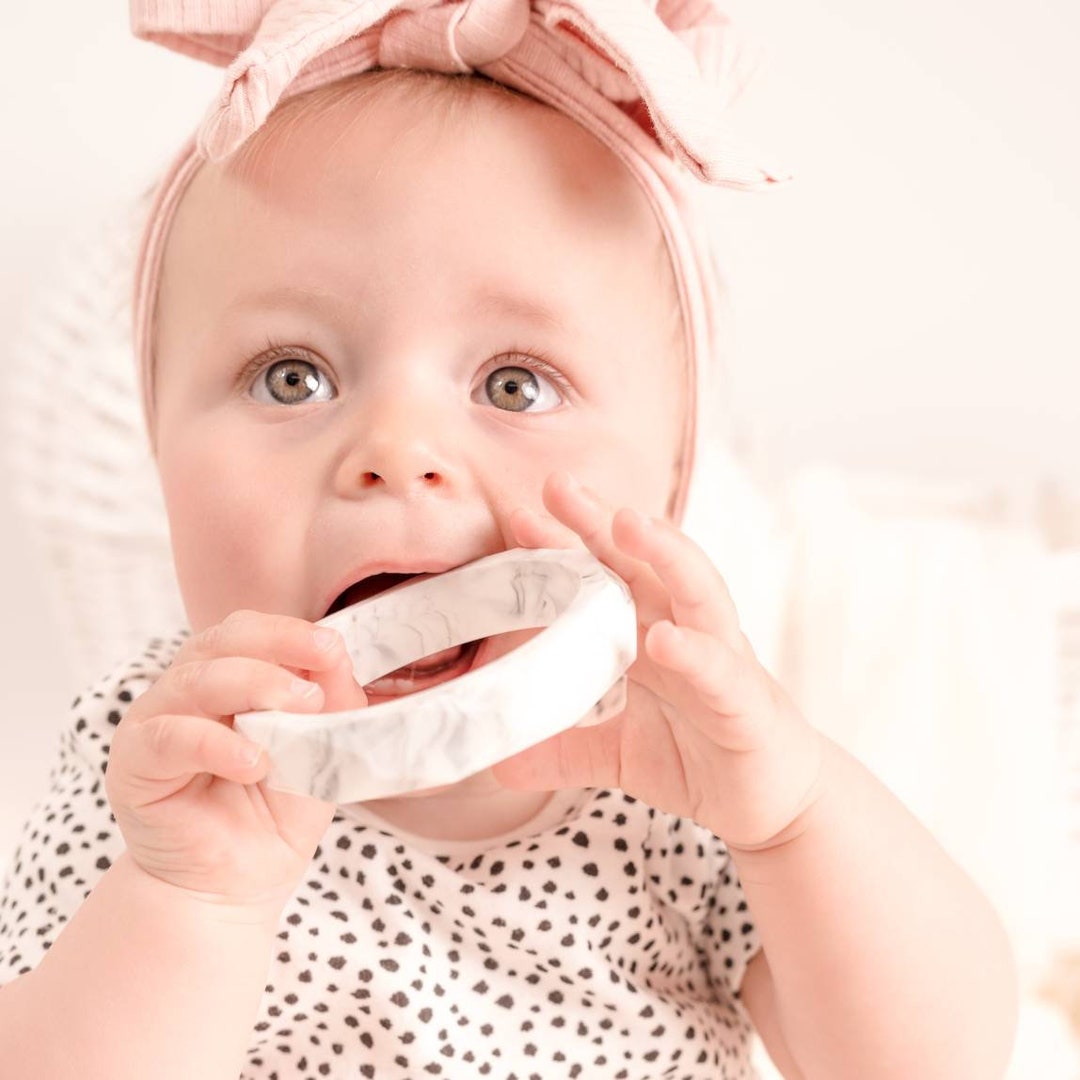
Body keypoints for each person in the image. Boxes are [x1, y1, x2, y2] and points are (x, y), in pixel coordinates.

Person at [0, 1, 1018, 1077]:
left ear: (671, 483)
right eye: (290, 376)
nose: (397, 447)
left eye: (514, 384)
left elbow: (935, 1064)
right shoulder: (167, 762)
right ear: (160, 455)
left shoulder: (685, 762)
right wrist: (188, 894)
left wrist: (793, 815)